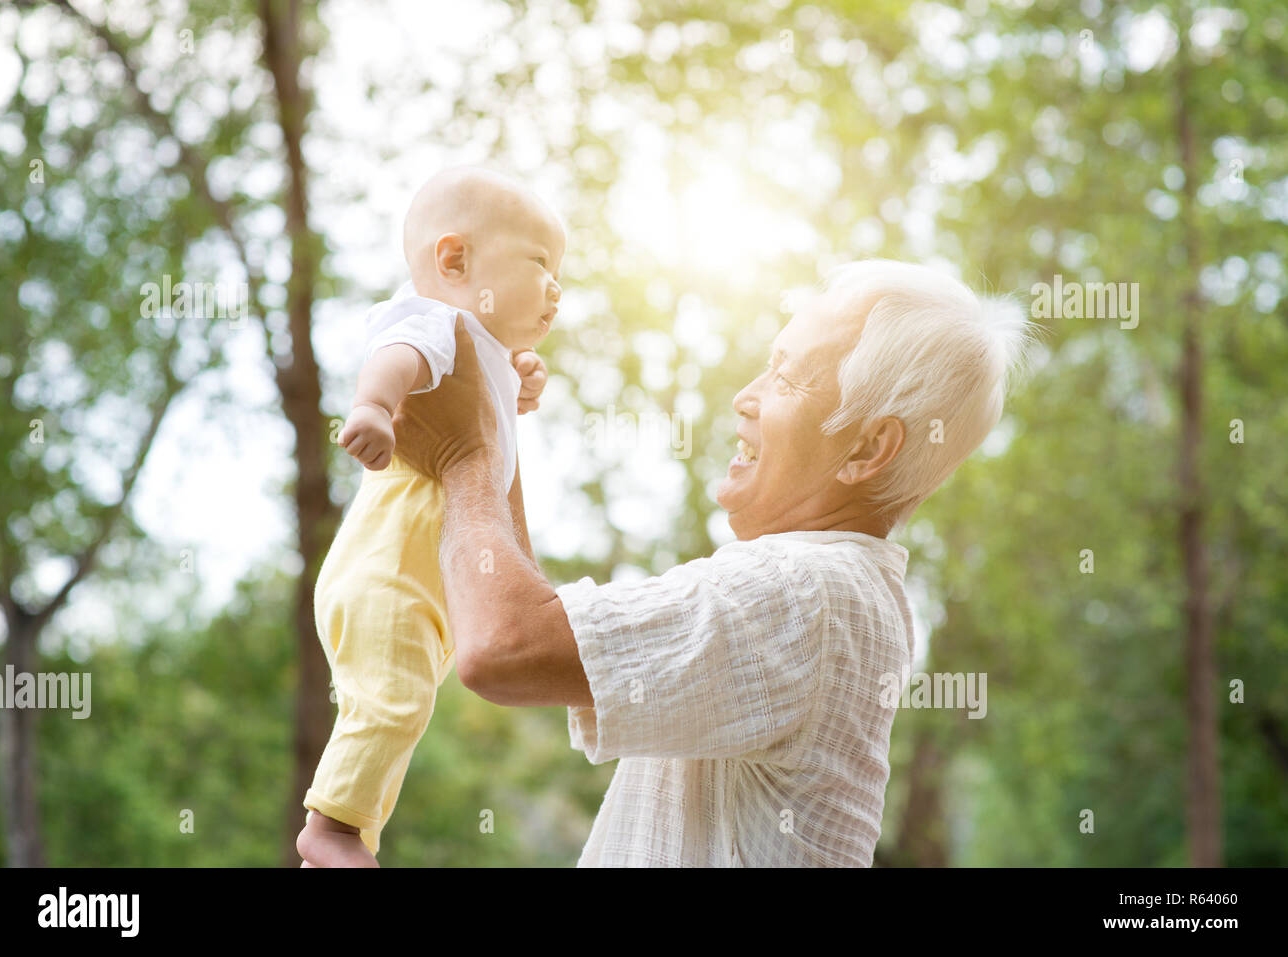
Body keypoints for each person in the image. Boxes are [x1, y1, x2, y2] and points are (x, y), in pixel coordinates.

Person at [311, 258, 1032, 867]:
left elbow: (504, 647)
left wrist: (466, 454)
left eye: (787, 378)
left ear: (870, 449)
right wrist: (490, 417)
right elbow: (534, 626)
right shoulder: (838, 595)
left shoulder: (804, 590)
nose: (746, 397)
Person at [296, 167, 565, 867]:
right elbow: (399, 354)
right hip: (387, 570)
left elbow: (485, 409)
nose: (556, 287)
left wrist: (518, 383)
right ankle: (329, 832)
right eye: (540, 263)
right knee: (392, 705)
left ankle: (349, 837)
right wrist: (374, 409)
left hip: (429, 588)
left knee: (398, 712)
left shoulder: (481, 350)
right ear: (455, 261)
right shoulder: (436, 321)